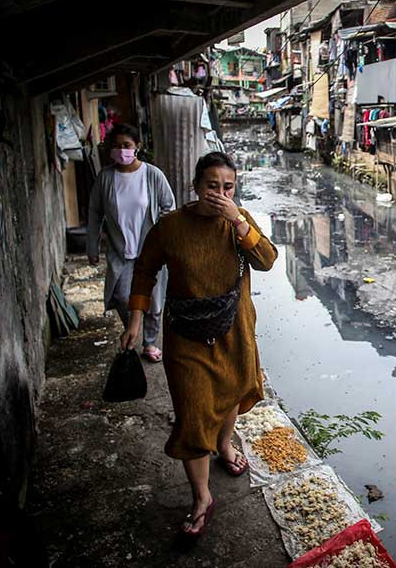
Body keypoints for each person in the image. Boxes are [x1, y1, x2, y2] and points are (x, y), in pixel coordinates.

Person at [120, 151, 278, 537]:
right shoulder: (171, 227)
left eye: (228, 187)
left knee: (229, 391)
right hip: (187, 336)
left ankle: (224, 446)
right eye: (212, 186)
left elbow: (268, 260)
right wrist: (137, 320)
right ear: (195, 187)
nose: (220, 194)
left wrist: (237, 220)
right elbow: (144, 269)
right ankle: (202, 497)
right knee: (193, 412)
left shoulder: (237, 222)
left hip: (234, 329)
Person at [87, 124, 175, 362]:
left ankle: (149, 342)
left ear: (138, 146)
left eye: (126, 145)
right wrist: (92, 247)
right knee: (123, 297)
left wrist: (164, 235)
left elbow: (169, 206)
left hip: (151, 251)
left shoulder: (152, 175)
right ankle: (132, 330)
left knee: (155, 300)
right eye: (116, 146)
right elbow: (95, 213)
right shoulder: (105, 178)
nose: (121, 150)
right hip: (121, 251)